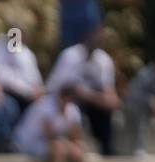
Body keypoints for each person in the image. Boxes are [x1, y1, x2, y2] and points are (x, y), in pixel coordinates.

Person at [13, 85, 99, 162]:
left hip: (54, 142)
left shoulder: (73, 109)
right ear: (59, 97)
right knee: (59, 148)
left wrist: (74, 145)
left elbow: (75, 136)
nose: (66, 103)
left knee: (78, 151)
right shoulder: (44, 106)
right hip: (29, 143)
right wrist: (67, 143)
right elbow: (49, 136)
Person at [46, 24, 120, 155]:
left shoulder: (104, 60)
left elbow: (110, 93)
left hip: (91, 101)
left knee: (105, 112)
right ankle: (72, 147)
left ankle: (107, 151)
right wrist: (92, 96)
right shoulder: (70, 55)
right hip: (65, 100)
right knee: (74, 108)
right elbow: (66, 89)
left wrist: (107, 100)